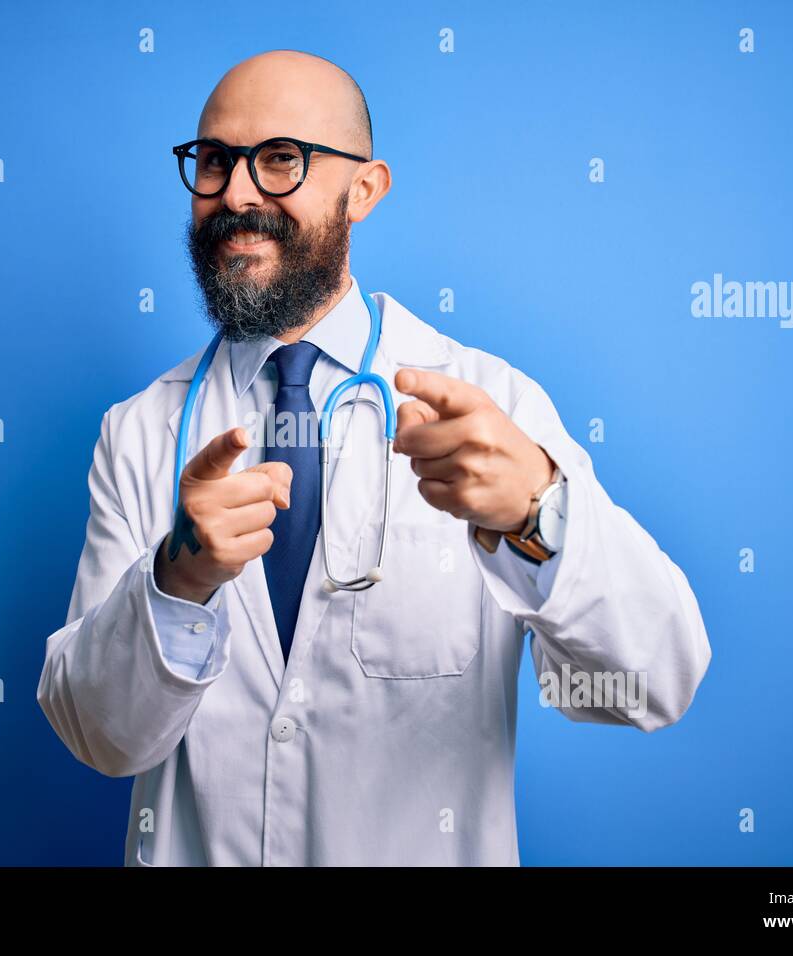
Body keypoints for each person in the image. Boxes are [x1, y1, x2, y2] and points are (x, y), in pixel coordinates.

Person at [36, 49, 711, 866]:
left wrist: (536, 514)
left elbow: (657, 680)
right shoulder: (140, 430)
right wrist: (177, 580)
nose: (236, 193)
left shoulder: (491, 404)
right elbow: (100, 737)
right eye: (214, 161)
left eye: (280, 159)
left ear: (364, 189)